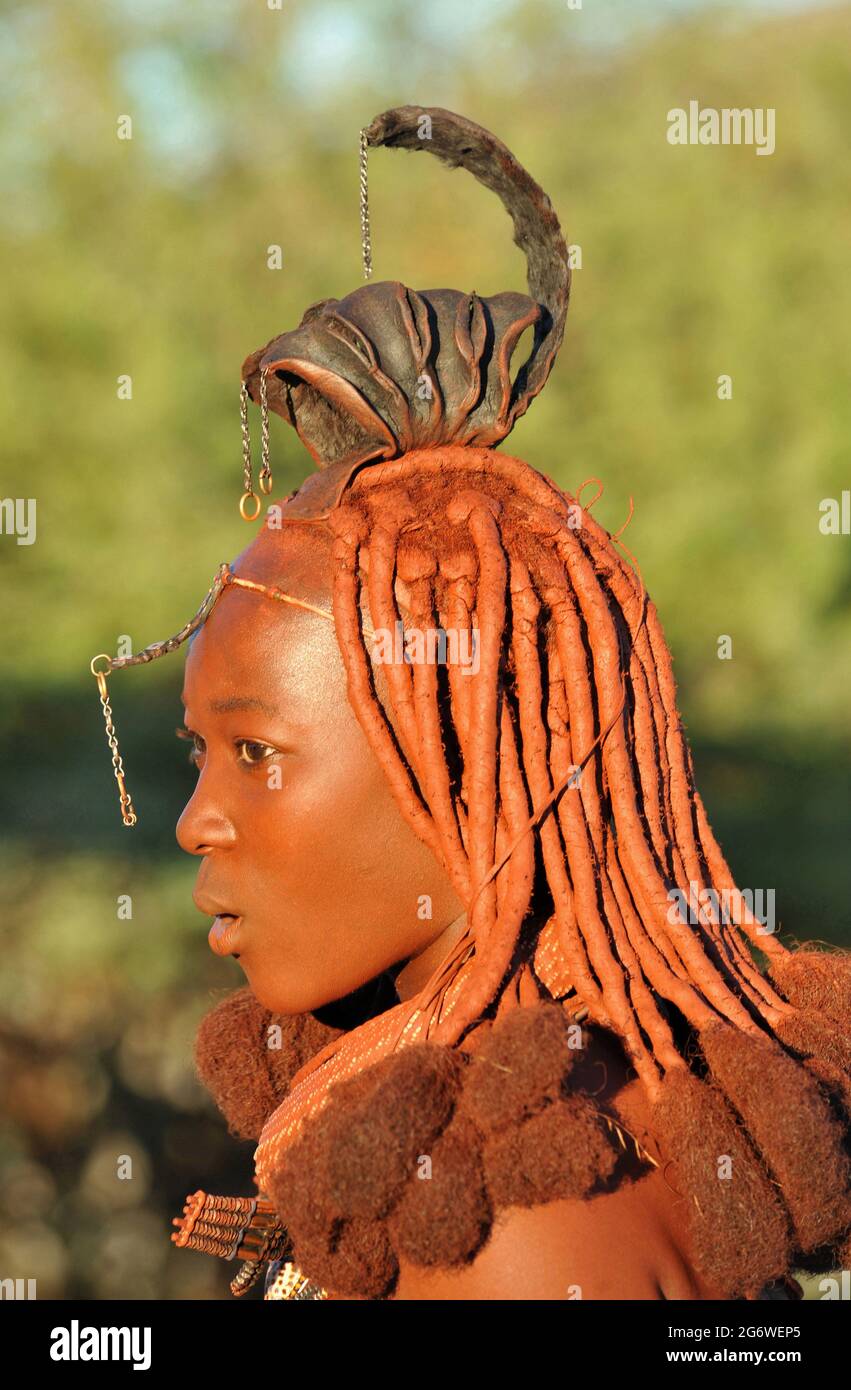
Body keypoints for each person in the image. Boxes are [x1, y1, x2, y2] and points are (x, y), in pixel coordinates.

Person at [91, 106, 851, 1302]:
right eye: (197, 753)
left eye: (256, 751)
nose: (196, 821)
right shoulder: (496, 1115)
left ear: (457, 763)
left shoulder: (525, 1222)